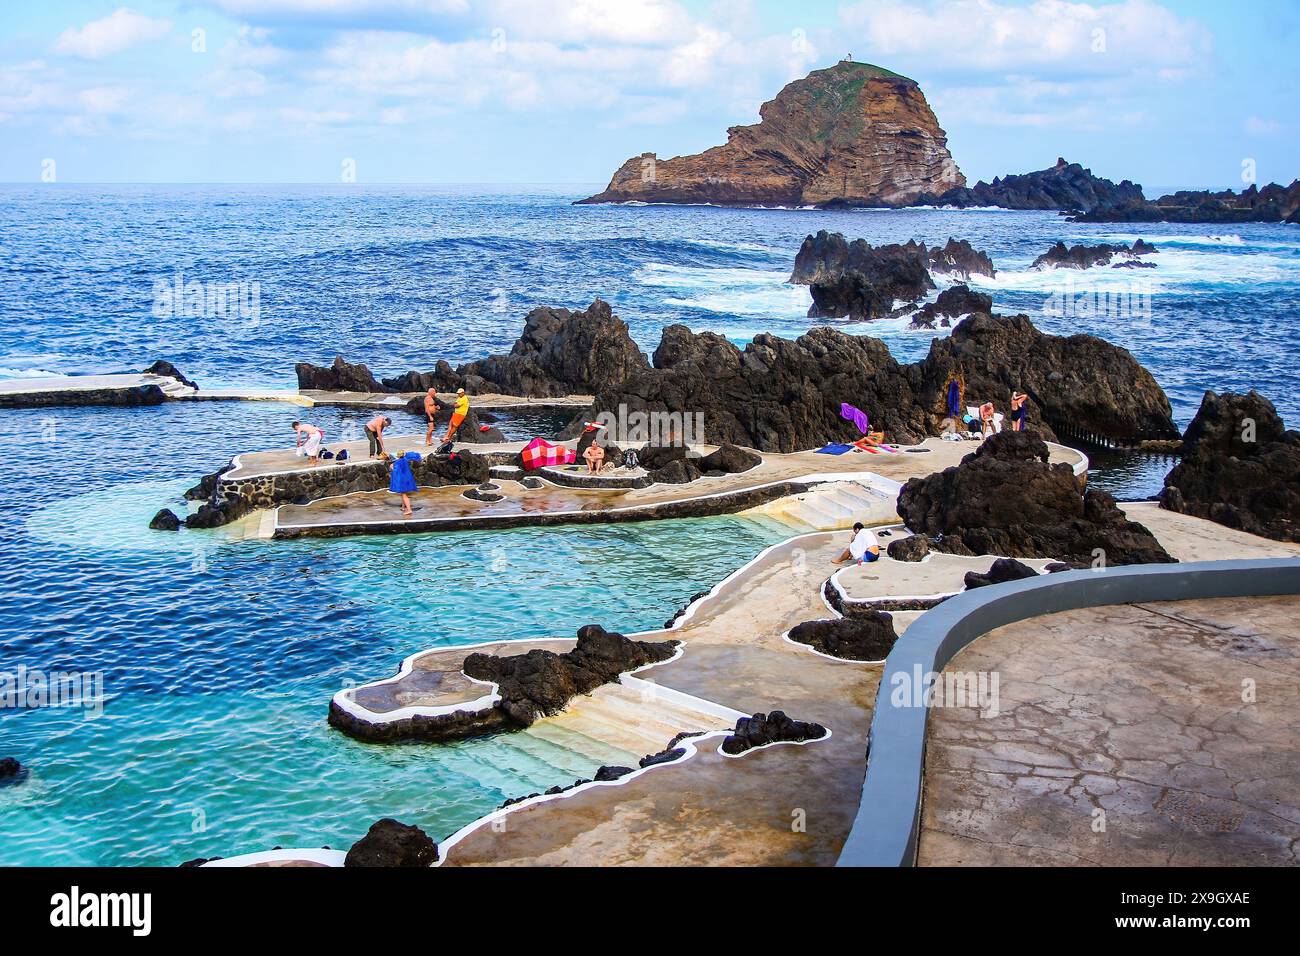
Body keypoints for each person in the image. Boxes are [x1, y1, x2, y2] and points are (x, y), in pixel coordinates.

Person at [389, 451, 419, 517]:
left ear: (398, 456)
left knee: (404, 494)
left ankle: (409, 509)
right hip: (407, 478)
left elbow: (396, 471)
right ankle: (403, 507)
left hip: (403, 480)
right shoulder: (405, 459)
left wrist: (392, 468)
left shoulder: (398, 462)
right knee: (403, 493)